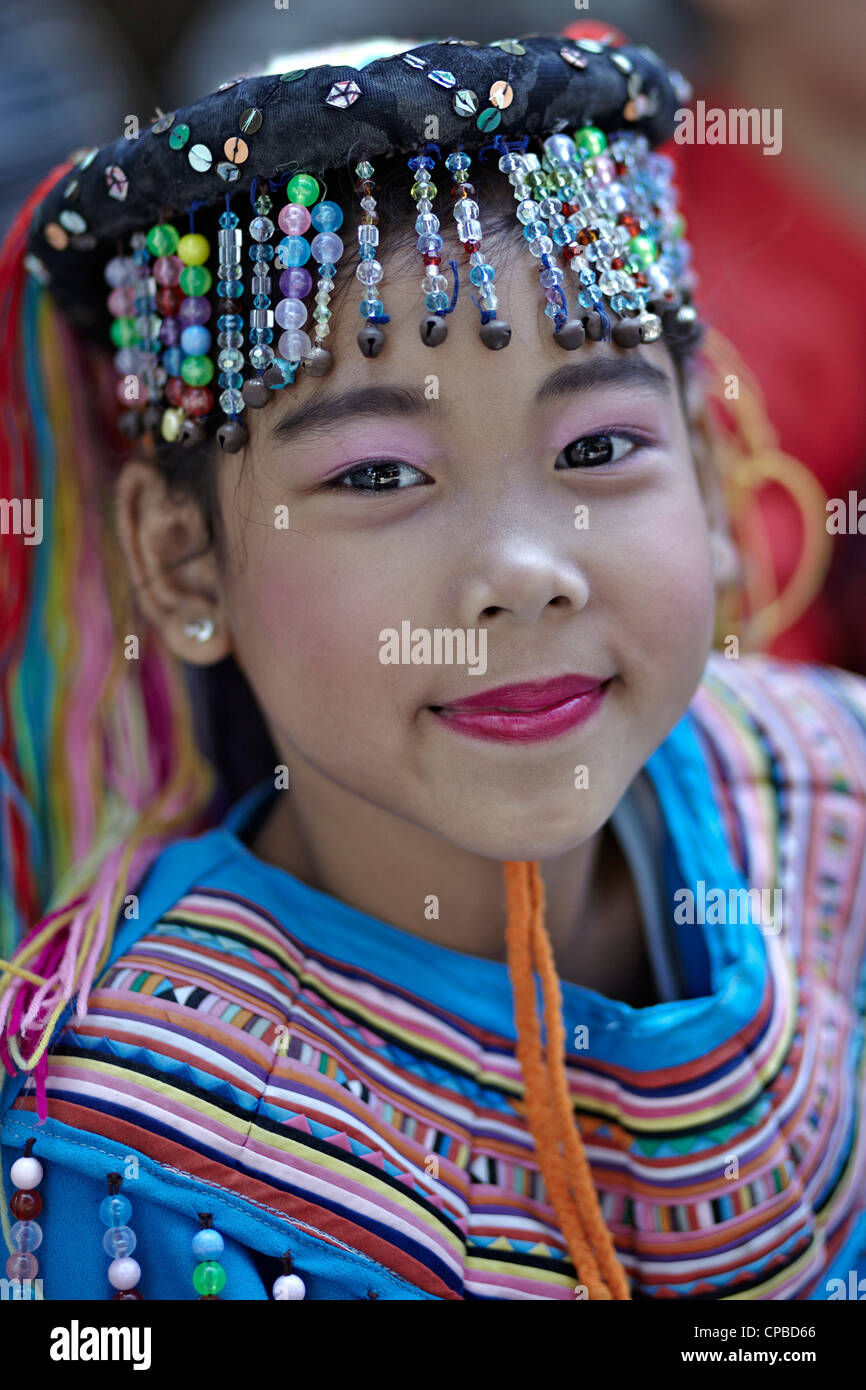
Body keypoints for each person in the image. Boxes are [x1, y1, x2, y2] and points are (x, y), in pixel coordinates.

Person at [0, 33, 864, 1302]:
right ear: (179, 562)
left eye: (597, 447)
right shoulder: (120, 1152)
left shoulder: (835, 805)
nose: (523, 570)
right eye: (375, 475)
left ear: (705, 467)